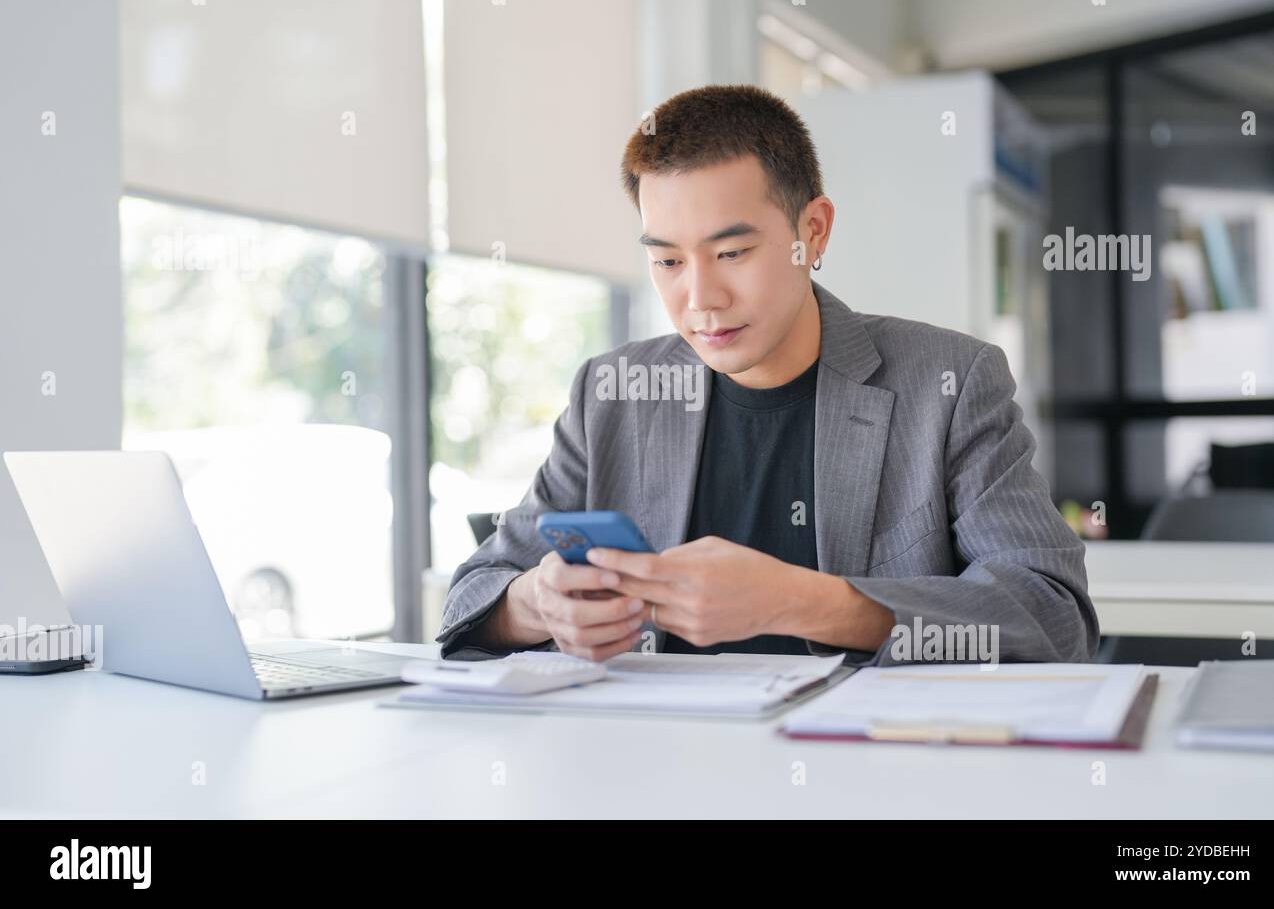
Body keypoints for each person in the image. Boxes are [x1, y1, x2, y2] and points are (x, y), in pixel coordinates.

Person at [435, 84, 1097, 667]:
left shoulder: (948, 383)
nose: (700, 299)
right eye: (668, 262)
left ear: (813, 231)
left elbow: (1051, 617)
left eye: (731, 252)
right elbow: (472, 592)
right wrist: (535, 604)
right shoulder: (613, 394)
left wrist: (804, 603)